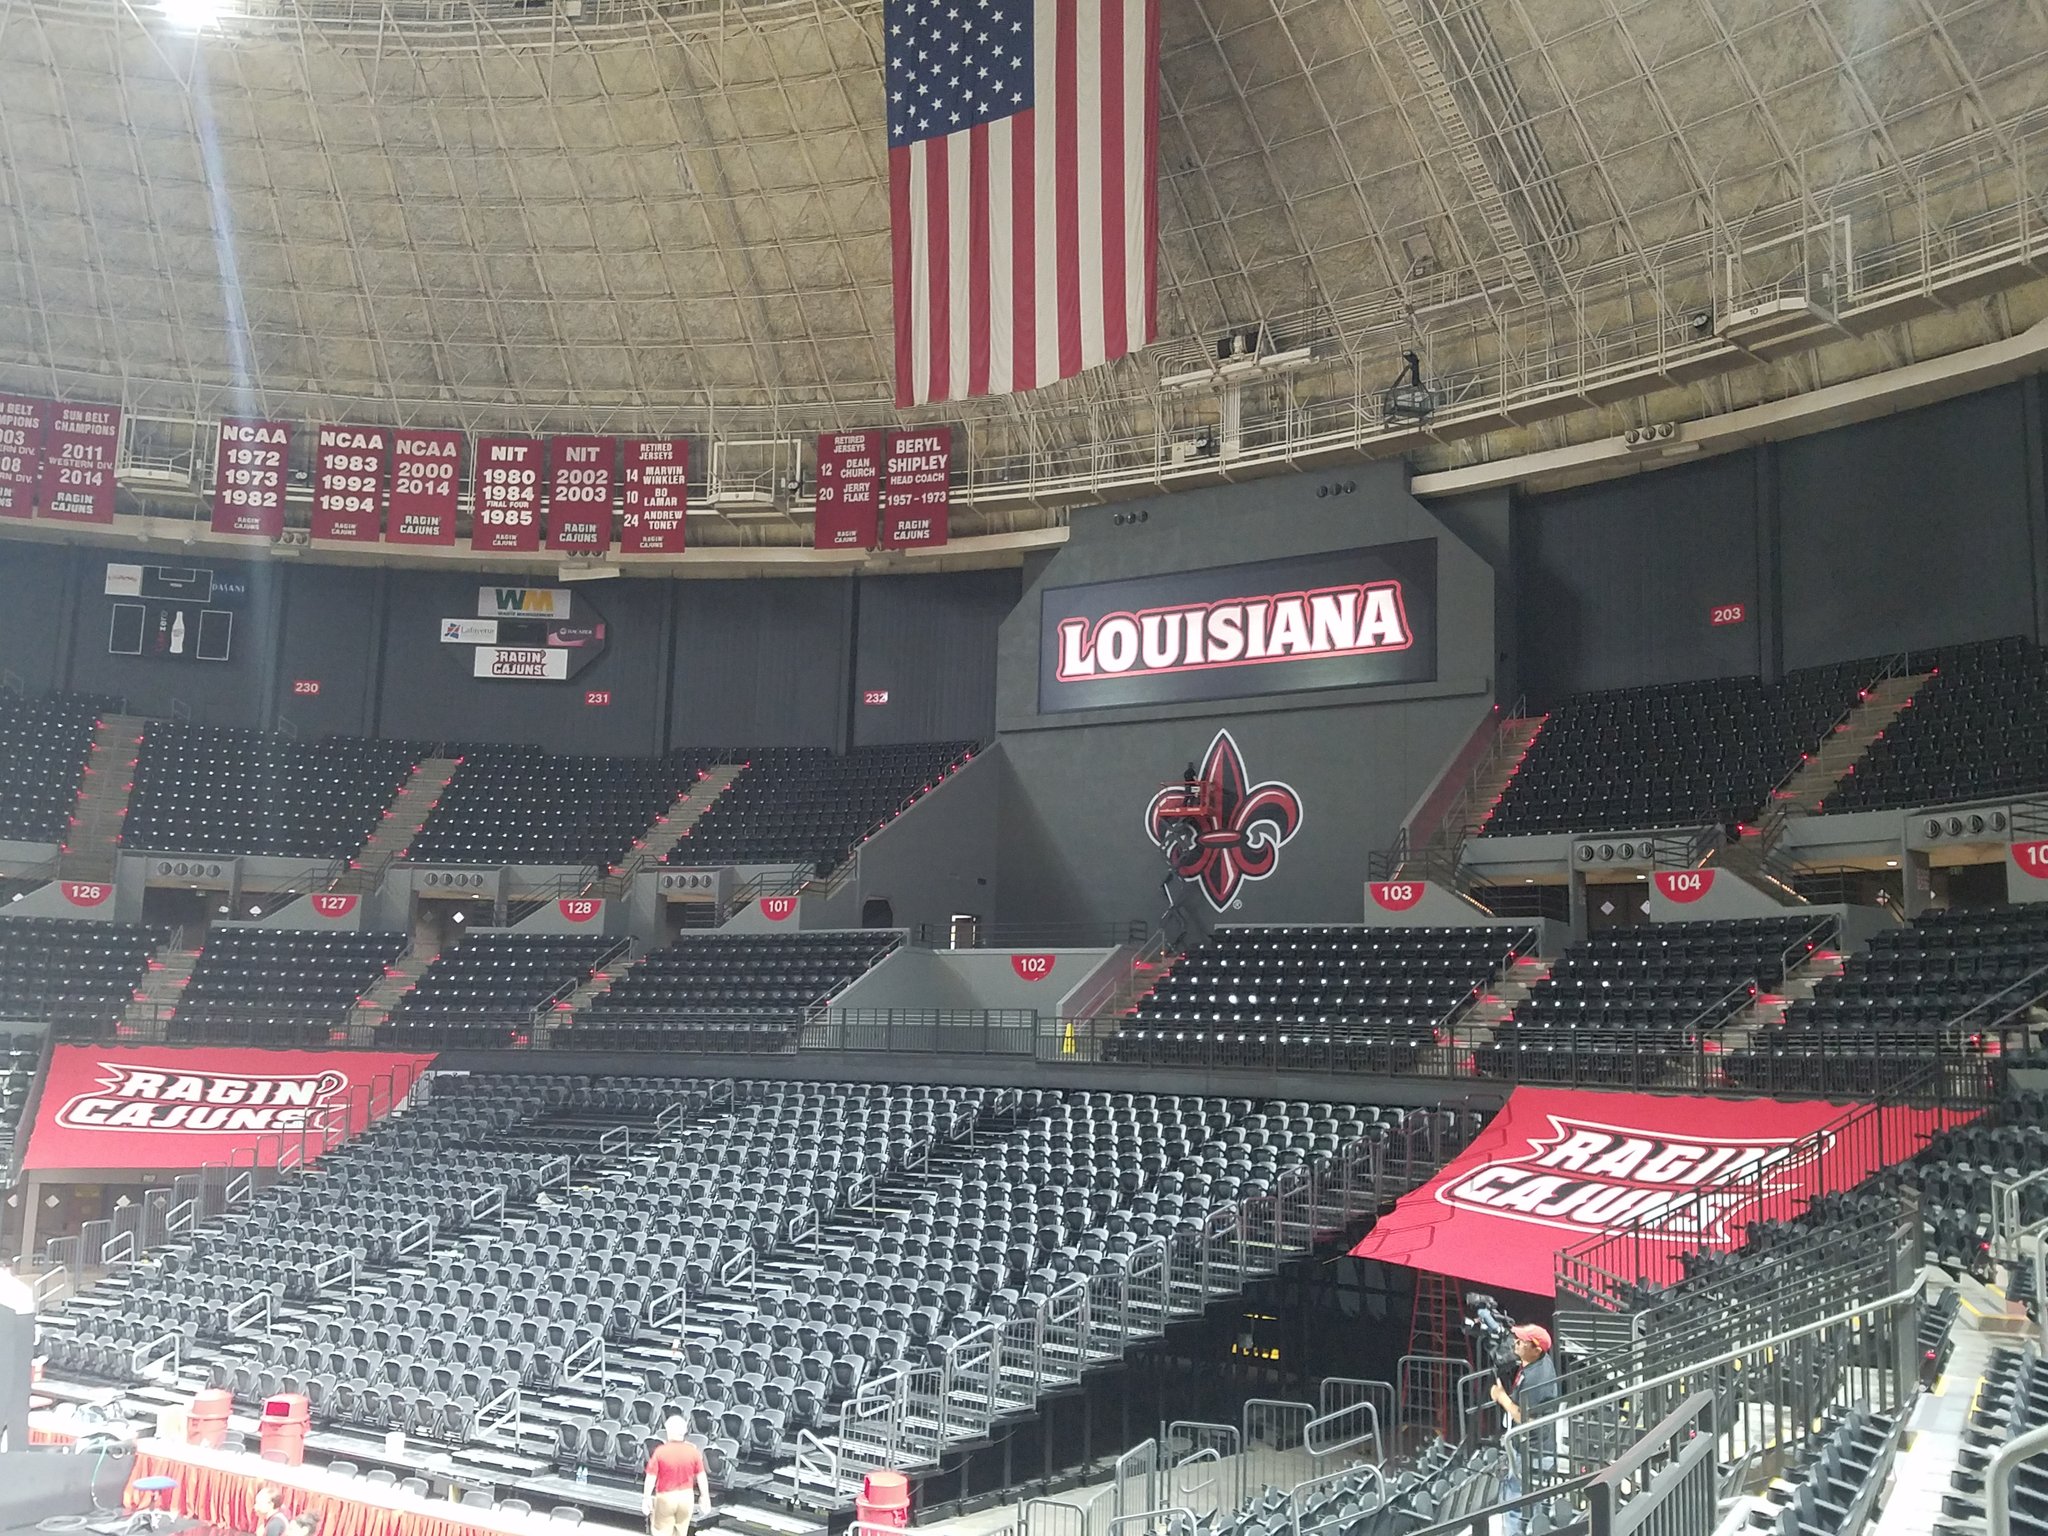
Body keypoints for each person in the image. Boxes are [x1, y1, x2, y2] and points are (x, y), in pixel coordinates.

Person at [1489, 1323, 1560, 1535]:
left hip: (1531, 1453)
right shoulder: (1538, 1362)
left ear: (1536, 1349)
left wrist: (1502, 1398)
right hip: (1540, 1449)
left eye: (1522, 1341)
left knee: (1515, 1506)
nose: (1516, 1343)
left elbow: (1526, 1418)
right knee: (1535, 1506)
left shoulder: (1536, 1378)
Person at [642, 1416, 711, 1536]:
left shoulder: (661, 1451)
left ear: (668, 1431)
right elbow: (701, 1476)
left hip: (666, 1497)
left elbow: (651, 1476)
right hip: (686, 1497)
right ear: (684, 1432)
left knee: (661, 1532)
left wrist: (646, 1497)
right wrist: (705, 1496)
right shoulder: (693, 1452)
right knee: (680, 1532)